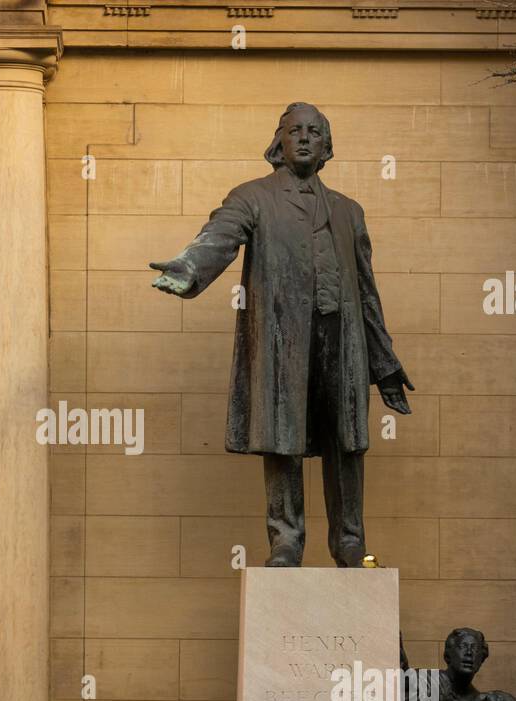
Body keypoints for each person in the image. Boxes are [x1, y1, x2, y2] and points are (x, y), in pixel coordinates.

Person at [150, 102, 413, 567]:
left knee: (346, 440)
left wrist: (384, 365)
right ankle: (286, 540)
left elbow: (368, 293)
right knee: (282, 436)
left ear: (328, 146)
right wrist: (188, 267)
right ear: (279, 143)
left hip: (342, 337)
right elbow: (220, 235)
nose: (305, 138)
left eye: (315, 131)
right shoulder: (253, 197)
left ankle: (350, 541)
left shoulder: (349, 211)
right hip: (283, 339)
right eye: (295, 131)